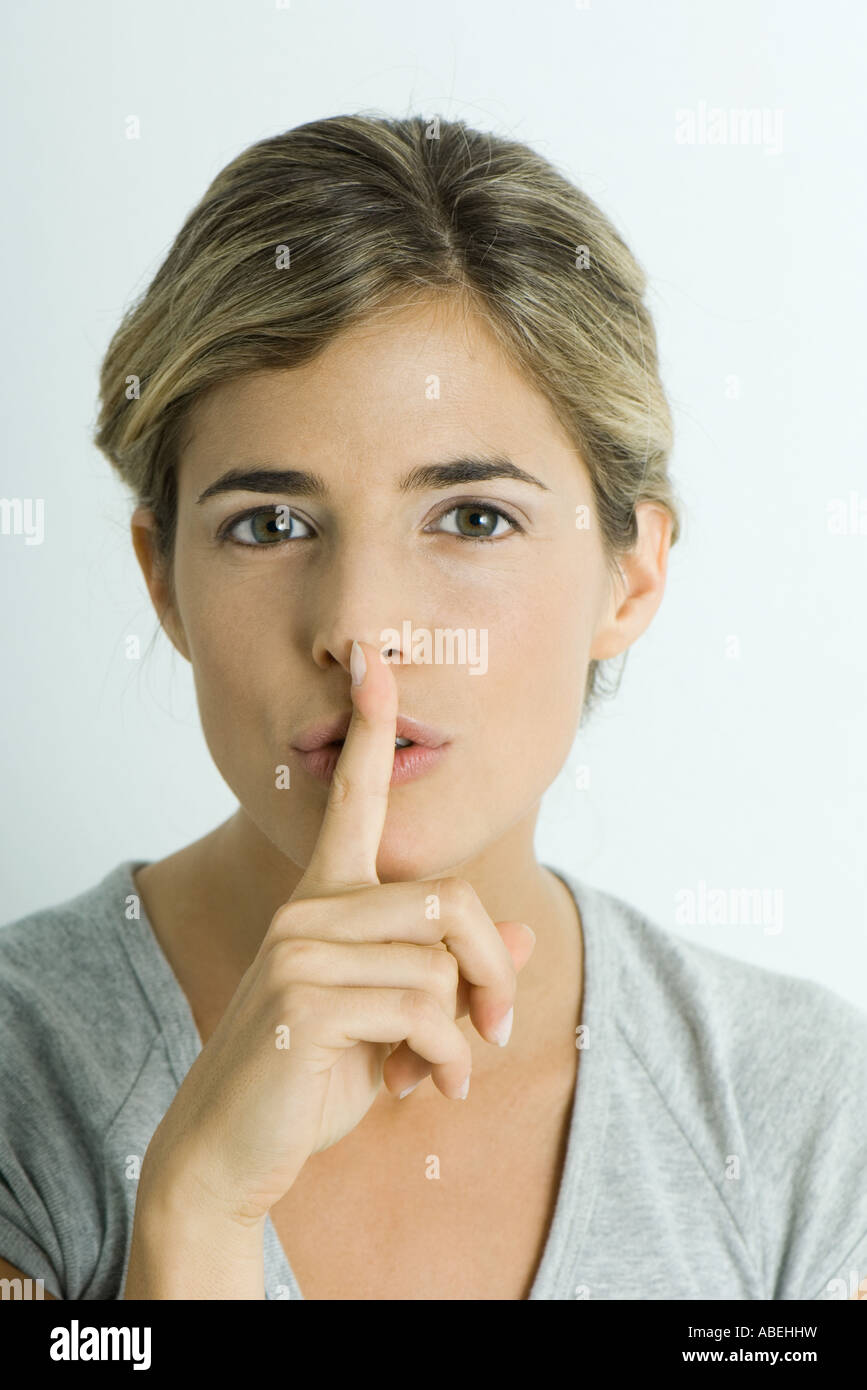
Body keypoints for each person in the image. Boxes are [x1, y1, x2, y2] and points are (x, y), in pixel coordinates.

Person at [1, 113, 866, 1302]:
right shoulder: (17, 1074)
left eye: (471, 518)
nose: (363, 629)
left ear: (634, 574)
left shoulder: (806, 1118)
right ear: (163, 578)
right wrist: (195, 1208)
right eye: (269, 523)